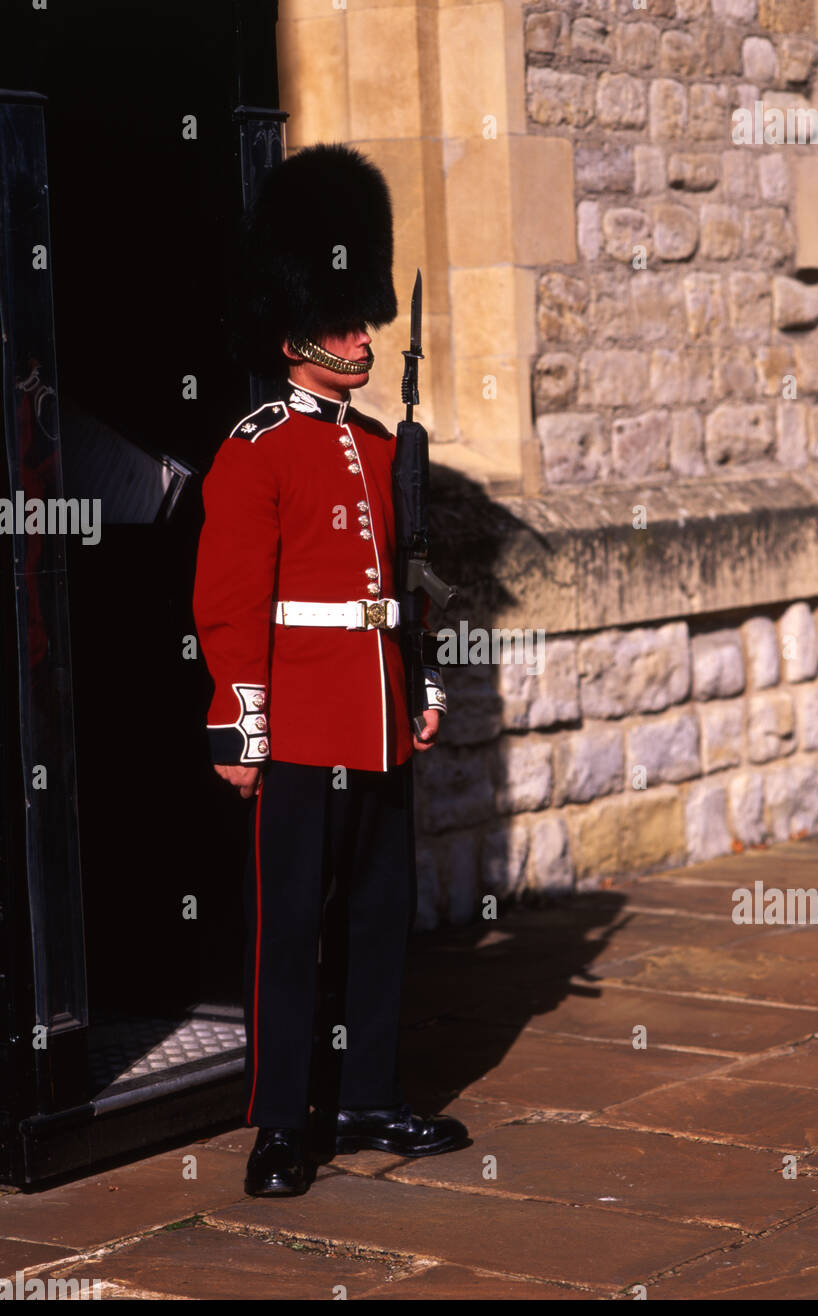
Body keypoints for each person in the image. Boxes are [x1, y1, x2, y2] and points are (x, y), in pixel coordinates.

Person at [192, 143, 468, 1198]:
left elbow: (406, 582)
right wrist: (241, 726)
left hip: (376, 719)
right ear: (293, 324)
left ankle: (369, 1094)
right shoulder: (255, 449)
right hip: (302, 724)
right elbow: (229, 602)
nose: (361, 335)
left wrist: (423, 684)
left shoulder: (377, 442)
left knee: (377, 916)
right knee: (290, 925)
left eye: (363, 317)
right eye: (343, 318)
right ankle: (277, 1121)